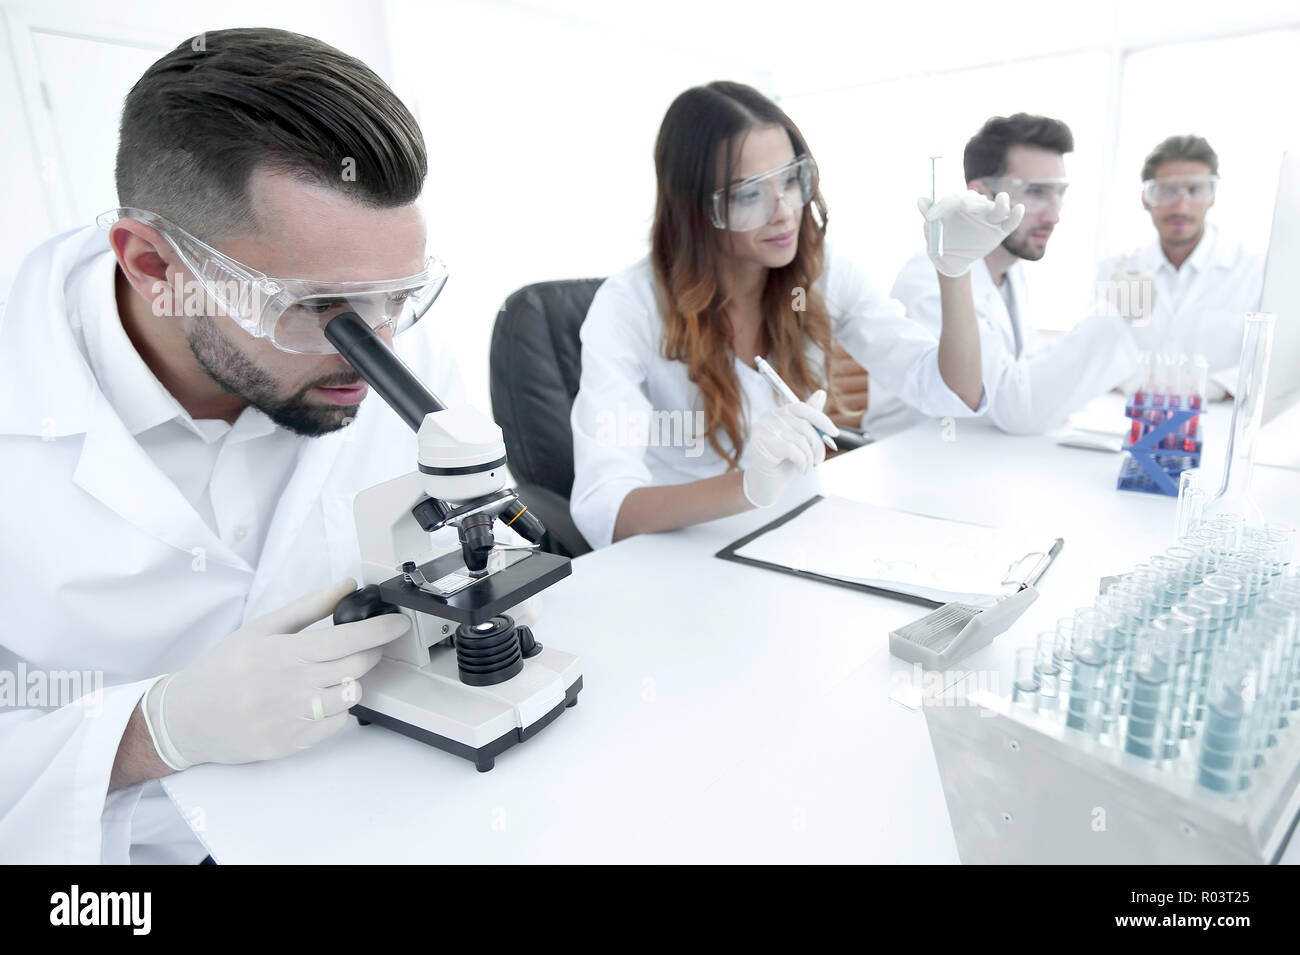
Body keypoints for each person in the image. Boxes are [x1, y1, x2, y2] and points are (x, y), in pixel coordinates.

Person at [0, 28, 467, 863]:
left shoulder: (393, 342)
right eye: (322, 306)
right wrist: (152, 731)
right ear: (153, 264)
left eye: (400, 293)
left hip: (386, 808)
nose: (382, 348)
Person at [569, 81, 1023, 550]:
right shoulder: (628, 306)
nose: (784, 212)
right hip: (670, 555)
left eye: (790, 179)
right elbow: (606, 508)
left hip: (790, 540)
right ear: (694, 209)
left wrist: (956, 272)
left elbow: (952, 393)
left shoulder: (819, 275)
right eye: (749, 194)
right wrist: (747, 487)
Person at [865, 114, 1141, 436]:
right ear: (981, 195)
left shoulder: (1011, 269)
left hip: (980, 452)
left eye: (1059, 193)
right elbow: (1012, 406)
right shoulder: (932, 277)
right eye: (1037, 192)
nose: (1054, 214)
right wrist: (1115, 314)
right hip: (912, 456)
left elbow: (1026, 369)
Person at [1096, 135, 1264, 398]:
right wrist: (1138, 386)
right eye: (1166, 191)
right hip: (1134, 418)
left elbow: (1272, 360)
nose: (1181, 206)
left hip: (1218, 421)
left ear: (1212, 197)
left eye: (1195, 190)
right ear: (1145, 198)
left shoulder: (1254, 271)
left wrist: (1208, 389)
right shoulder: (1123, 272)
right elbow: (1105, 352)